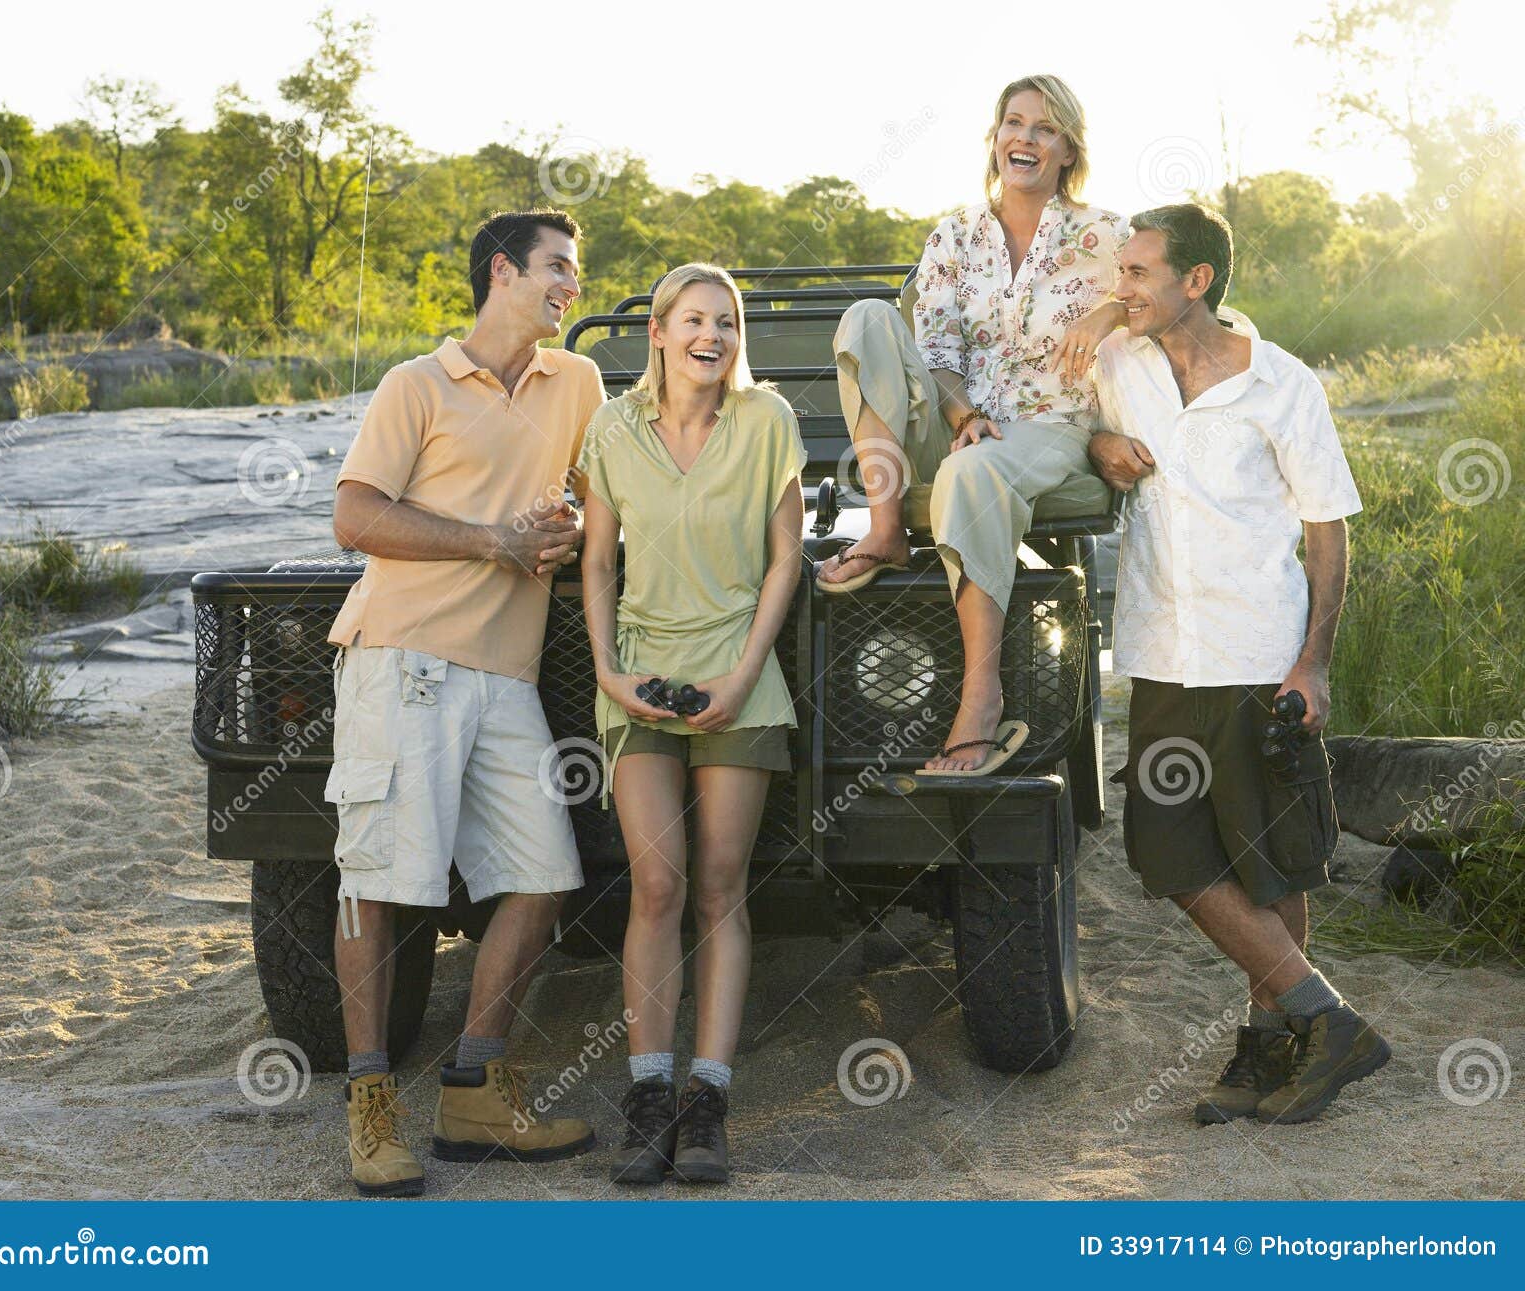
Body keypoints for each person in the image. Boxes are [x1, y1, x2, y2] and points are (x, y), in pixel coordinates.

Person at [1089, 202, 1392, 1125]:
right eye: (1122, 271)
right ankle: (1327, 1019)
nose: (1123, 286)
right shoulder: (1116, 366)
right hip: (1160, 648)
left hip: (1259, 651)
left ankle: (1268, 1052)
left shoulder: (1282, 383)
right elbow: (1066, 432)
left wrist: (1315, 663)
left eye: (1140, 272)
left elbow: (1327, 532)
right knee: (1166, 850)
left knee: (1271, 863)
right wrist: (1098, 446)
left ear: (1197, 281)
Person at [325, 209, 605, 1196]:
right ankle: (369, 1105)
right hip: (403, 658)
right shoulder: (416, 384)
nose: (572, 284)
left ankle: (476, 1085)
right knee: (380, 877)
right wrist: (491, 539)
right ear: (502, 271)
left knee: (542, 872)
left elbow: (581, 501)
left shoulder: (577, 382)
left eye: (576, 270)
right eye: (558, 268)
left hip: (508, 673)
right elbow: (354, 515)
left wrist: (557, 525)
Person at [817, 73, 1127, 775]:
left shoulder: (1104, 233)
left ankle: (980, 699)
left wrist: (1108, 311)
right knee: (868, 316)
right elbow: (935, 355)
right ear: (994, 139)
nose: (1026, 138)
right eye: (1014, 123)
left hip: (1052, 426)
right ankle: (888, 529)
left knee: (974, 469)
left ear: (1068, 149)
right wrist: (960, 413)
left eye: (1045, 128)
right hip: (961, 420)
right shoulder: (953, 234)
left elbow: (1159, 295)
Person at [578, 263, 805, 1186]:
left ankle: (708, 1102)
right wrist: (607, 670)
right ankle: (648, 1097)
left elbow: (787, 557)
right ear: (659, 334)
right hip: (640, 675)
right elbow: (597, 563)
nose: (713, 334)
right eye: (695, 319)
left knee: (719, 884)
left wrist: (746, 672)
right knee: (658, 886)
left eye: (729, 321)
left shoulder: (768, 423)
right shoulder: (611, 428)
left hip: (736, 672)